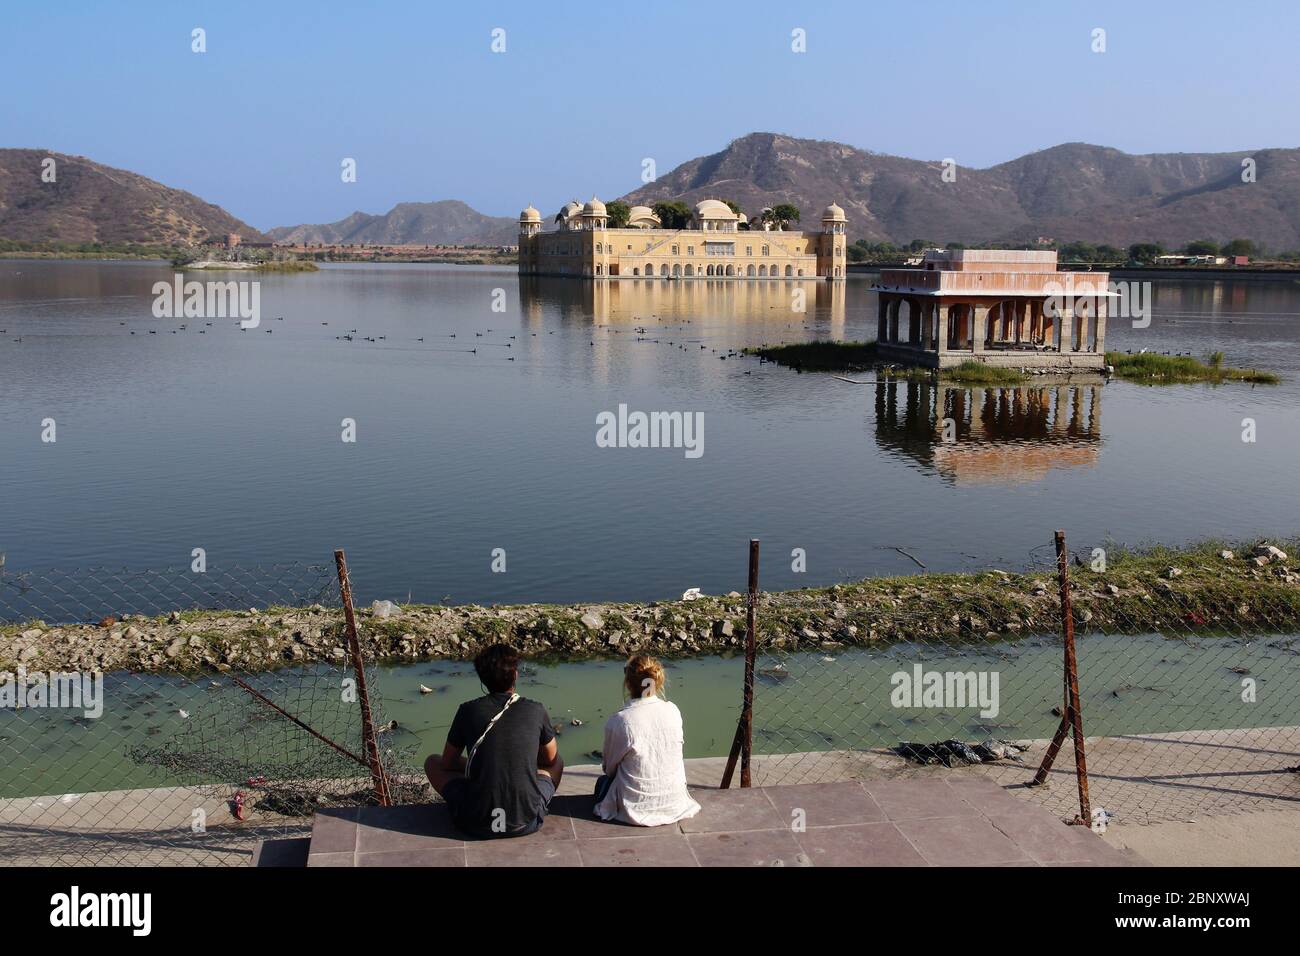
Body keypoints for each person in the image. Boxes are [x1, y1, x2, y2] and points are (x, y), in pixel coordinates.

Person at [425, 643, 563, 838]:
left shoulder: (467, 710)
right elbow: (550, 759)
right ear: (515, 675)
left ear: (482, 679)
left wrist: (481, 765)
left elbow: (447, 763)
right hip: (526, 822)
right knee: (558, 762)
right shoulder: (535, 709)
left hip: (474, 822)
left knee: (432, 762)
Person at [594, 655, 701, 826]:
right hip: (674, 804)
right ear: (658, 681)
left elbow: (609, 769)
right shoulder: (673, 711)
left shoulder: (620, 721)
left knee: (602, 783)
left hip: (634, 810)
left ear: (628, 683)